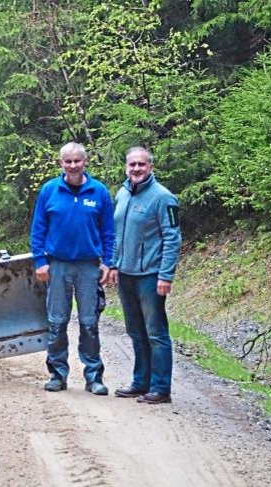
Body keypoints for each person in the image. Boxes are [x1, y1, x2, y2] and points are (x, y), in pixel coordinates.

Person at [30, 142, 115, 395]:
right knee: (57, 322)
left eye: (77, 161)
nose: (73, 165)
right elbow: (38, 229)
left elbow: (109, 232)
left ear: (85, 162)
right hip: (58, 265)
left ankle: (93, 377)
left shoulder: (99, 192)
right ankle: (57, 374)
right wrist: (40, 261)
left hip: (89, 267)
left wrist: (108, 262)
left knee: (89, 322)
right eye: (68, 161)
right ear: (61, 164)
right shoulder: (49, 191)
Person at [109, 146, 182, 404]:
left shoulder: (163, 198)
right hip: (126, 274)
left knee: (156, 332)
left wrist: (166, 275)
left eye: (141, 164)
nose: (136, 169)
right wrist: (114, 264)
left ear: (150, 167)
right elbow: (117, 234)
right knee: (135, 331)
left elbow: (173, 239)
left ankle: (161, 388)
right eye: (132, 165)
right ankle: (141, 382)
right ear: (126, 167)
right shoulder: (122, 193)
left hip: (151, 276)